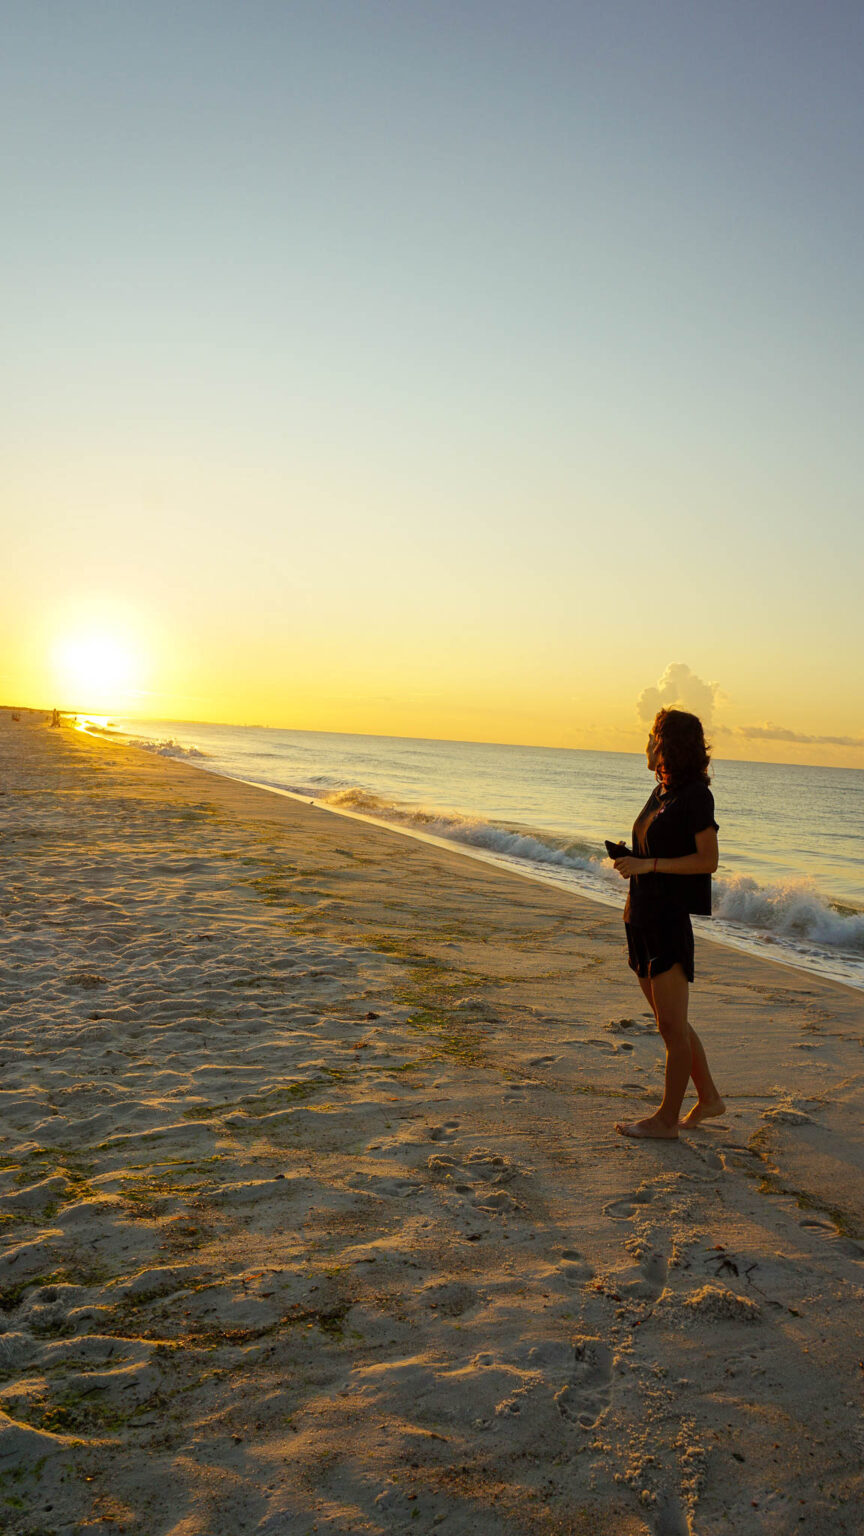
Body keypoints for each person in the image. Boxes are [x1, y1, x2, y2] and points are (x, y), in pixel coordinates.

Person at [612, 708, 725, 1139]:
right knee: (669, 1022)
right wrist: (633, 858)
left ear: (666, 745)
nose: (645, 743)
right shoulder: (661, 792)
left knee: (672, 1028)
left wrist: (650, 864)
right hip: (640, 916)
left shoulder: (695, 796)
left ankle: (665, 1121)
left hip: (667, 922)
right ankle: (709, 1097)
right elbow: (657, 851)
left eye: (651, 736)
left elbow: (708, 860)